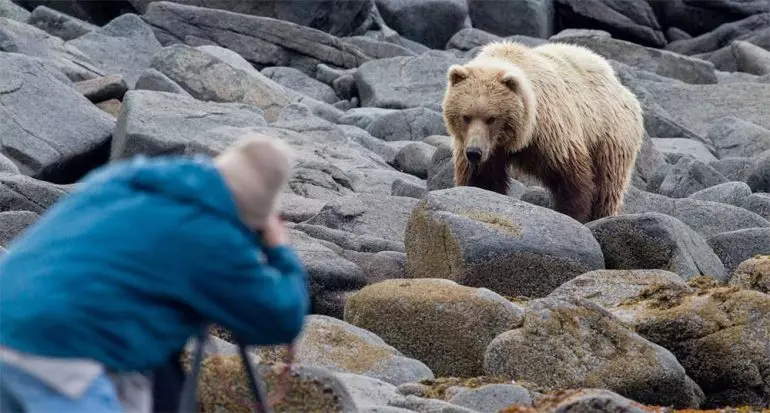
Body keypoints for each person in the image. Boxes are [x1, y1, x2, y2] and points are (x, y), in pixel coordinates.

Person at [0, 133, 310, 412]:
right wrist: (279, 249)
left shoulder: (123, 180)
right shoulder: (210, 234)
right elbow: (280, 317)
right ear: (255, 213)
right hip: (60, 356)